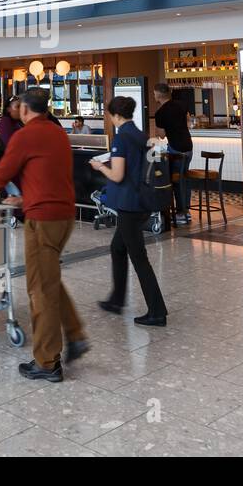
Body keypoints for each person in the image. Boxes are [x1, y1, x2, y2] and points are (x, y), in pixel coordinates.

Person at [0, 88, 88, 382]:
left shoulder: (25, 135)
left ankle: (47, 362)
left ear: (25, 109)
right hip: (64, 216)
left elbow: (2, 172)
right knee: (50, 280)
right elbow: (48, 174)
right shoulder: (57, 132)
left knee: (40, 290)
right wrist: (26, 196)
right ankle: (75, 335)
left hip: (43, 219)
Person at [89, 96, 168, 327]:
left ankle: (157, 311)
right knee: (117, 248)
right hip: (141, 201)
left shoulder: (122, 137)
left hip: (129, 205)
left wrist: (100, 166)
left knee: (139, 259)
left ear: (115, 115)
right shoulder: (138, 133)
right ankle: (116, 299)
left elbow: (117, 175)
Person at [152, 83, 193, 227]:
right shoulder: (182, 105)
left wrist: (157, 130)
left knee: (175, 181)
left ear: (157, 94)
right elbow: (188, 121)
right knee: (184, 179)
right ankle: (185, 212)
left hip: (176, 149)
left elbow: (161, 135)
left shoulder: (160, 113)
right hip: (188, 147)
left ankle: (181, 213)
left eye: (154, 93)